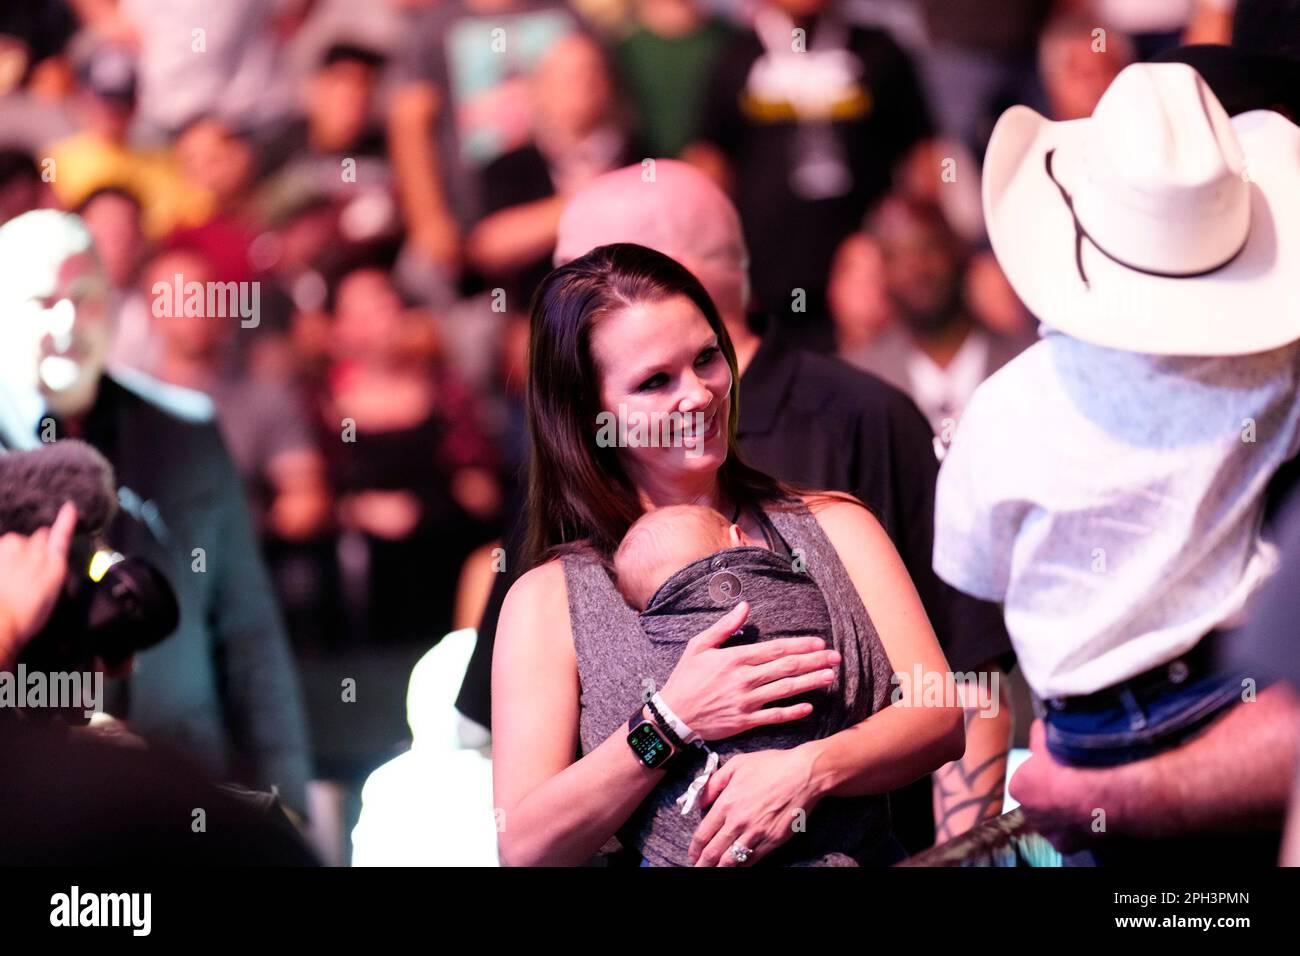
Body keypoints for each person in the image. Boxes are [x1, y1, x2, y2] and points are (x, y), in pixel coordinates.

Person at [458, 159, 1013, 852]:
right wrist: (669, 721)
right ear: (588, 412)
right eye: (655, 381)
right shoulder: (549, 596)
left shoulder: (836, 525)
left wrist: (810, 770)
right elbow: (525, 845)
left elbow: (939, 715)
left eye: (707, 359)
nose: (697, 393)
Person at [938, 64, 1300, 859]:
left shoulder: (1000, 410)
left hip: (1089, 732)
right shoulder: (1281, 371)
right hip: (1242, 705)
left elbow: (977, 576)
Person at [0, 209, 313, 817]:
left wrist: (288, 802)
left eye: (84, 299)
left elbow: (250, 635)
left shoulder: (186, 429)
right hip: (35, 809)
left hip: (187, 794)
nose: (66, 323)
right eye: (42, 303)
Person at [684, 0, 933, 348]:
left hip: (869, 282)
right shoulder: (733, 56)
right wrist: (721, 267)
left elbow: (924, 161)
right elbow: (709, 166)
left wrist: (898, 250)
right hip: (767, 282)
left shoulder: (881, 51)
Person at [842, 195, 1026, 442]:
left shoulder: (1026, 362)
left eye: (927, 247)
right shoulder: (856, 382)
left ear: (959, 250)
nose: (915, 268)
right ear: (882, 273)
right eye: (895, 256)